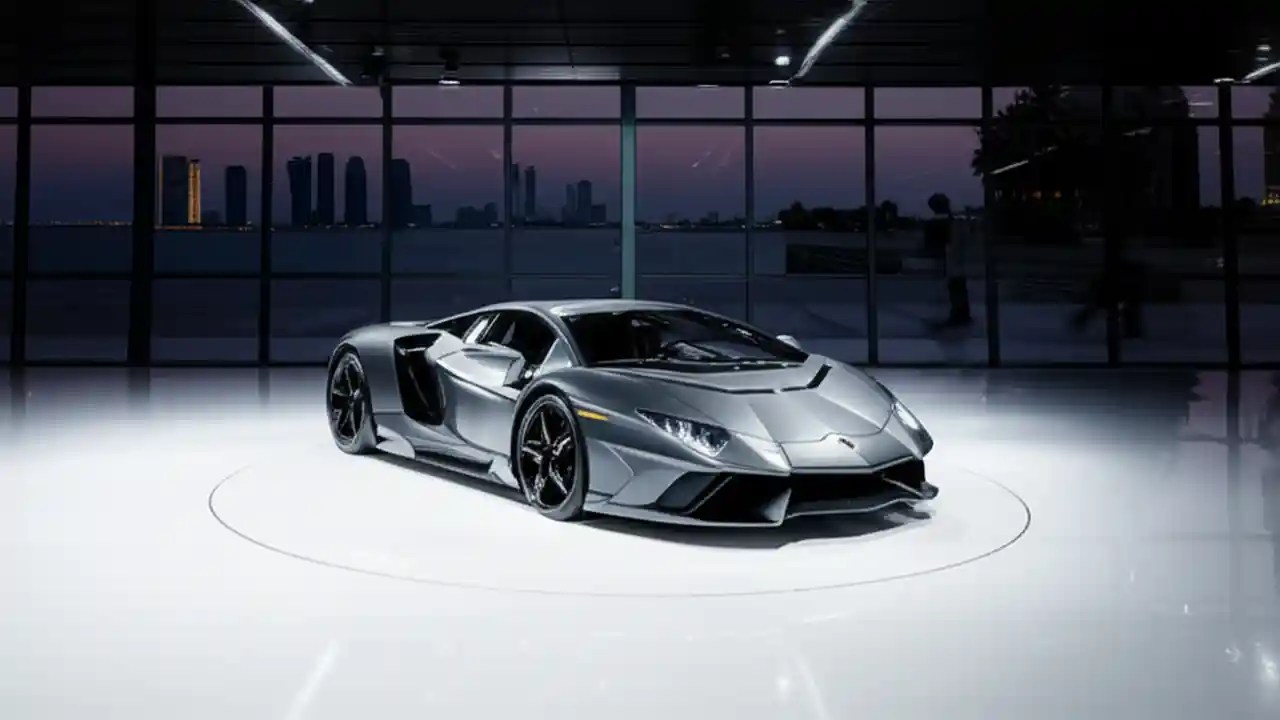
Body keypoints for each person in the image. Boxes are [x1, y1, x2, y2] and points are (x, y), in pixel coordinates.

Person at [922, 193, 971, 326]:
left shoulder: (938, 224)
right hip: (954, 258)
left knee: (955, 286)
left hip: (950, 258)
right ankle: (961, 313)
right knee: (957, 286)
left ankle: (960, 314)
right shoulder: (954, 222)